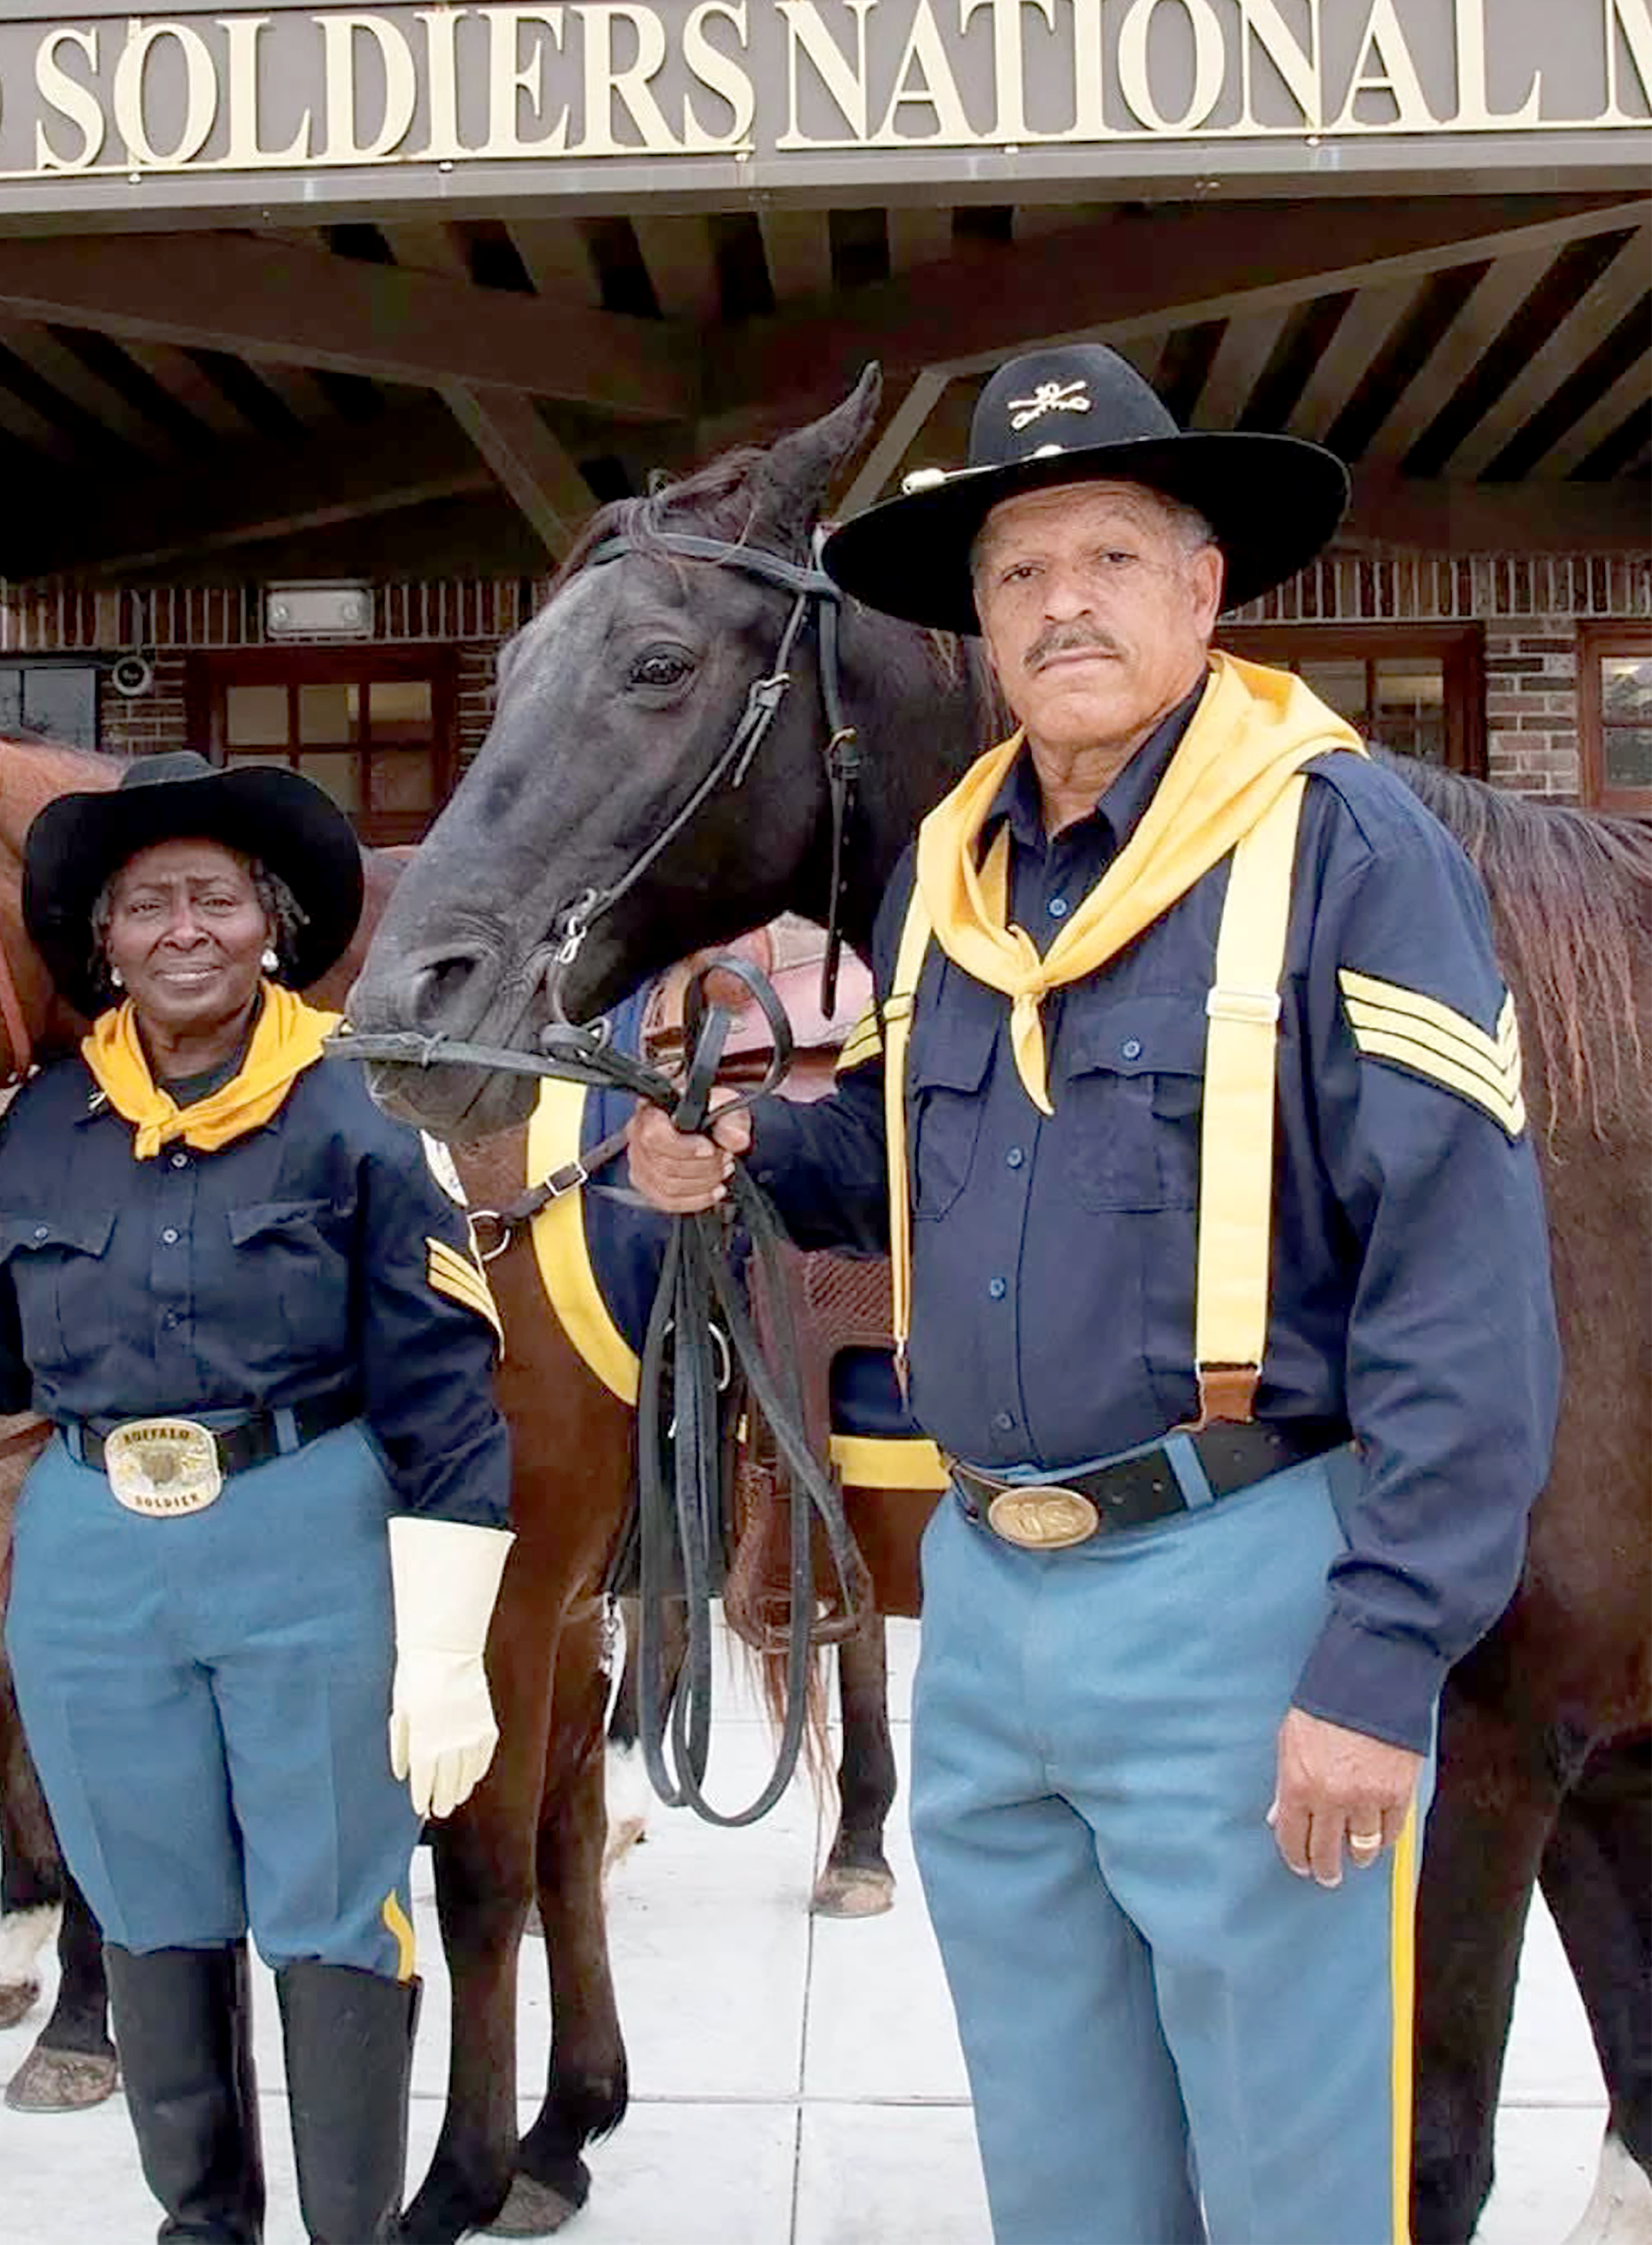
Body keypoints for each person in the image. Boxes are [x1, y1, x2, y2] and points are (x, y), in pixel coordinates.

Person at [628, 344, 1559, 2243]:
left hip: (1239, 1597)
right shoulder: (948, 880)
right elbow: (911, 1156)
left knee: (1297, 2189)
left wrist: (1379, 1663)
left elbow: (1464, 1290)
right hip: (988, 1602)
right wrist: (738, 1155)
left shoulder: (1349, 850)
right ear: (976, 622)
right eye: (1021, 569)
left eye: (1113, 555)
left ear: (1203, 590)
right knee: (1064, 2180)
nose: (1065, 602)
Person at [0, 751, 513, 2245]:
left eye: (215, 897)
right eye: (149, 906)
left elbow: (445, 1388)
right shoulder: (47, 1126)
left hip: (305, 1535)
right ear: (106, 942)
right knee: (145, 1902)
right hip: (89, 1560)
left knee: (336, 1914)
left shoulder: (358, 1113)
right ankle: (202, 2223)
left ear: (270, 925)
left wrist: (449, 1646)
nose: (183, 929)